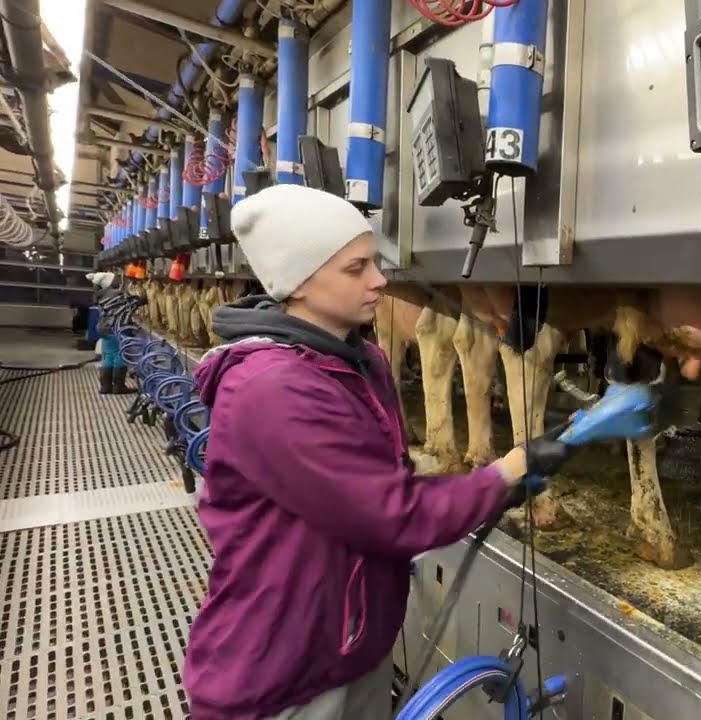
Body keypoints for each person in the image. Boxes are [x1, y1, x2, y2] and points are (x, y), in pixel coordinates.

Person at [183, 184, 571, 719]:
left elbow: (381, 486)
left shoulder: (357, 360)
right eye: (355, 268)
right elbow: (390, 514)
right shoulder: (275, 388)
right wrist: (501, 475)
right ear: (298, 280)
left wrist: (491, 490)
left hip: (345, 646)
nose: (379, 280)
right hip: (283, 676)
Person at [86, 271, 130, 394]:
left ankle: (105, 387)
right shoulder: (116, 294)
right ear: (109, 283)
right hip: (113, 328)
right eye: (115, 279)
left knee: (108, 356)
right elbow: (130, 302)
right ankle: (118, 387)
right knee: (119, 356)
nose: (118, 280)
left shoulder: (102, 295)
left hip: (103, 328)